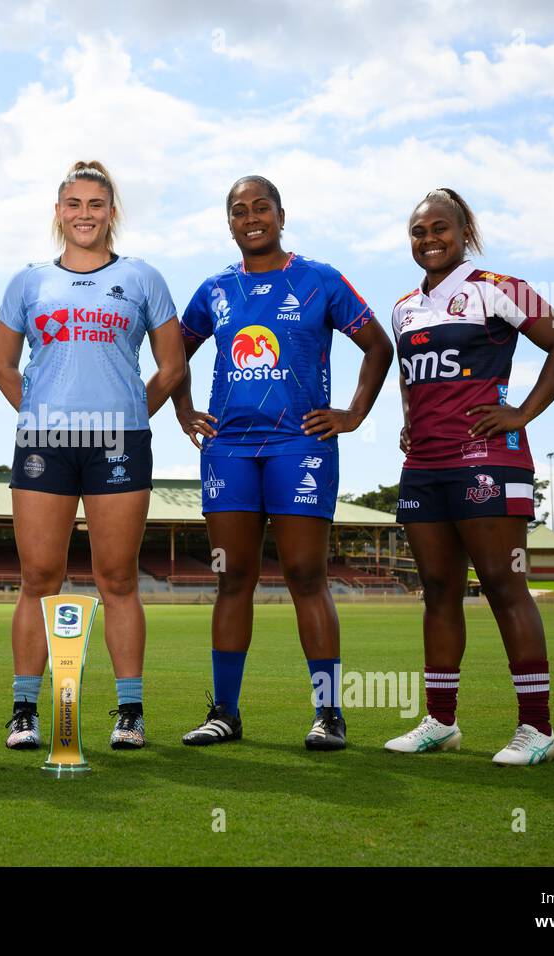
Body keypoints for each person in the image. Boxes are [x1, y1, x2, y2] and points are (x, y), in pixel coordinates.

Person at [167, 175, 392, 751]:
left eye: (260, 207)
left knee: (305, 576)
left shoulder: (319, 279)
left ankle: (329, 714)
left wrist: (353, 414)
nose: (251, 218)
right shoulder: (215, 288)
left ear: (281, 214)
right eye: (239, 211)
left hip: (300, 445)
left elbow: (378, 345)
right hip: (230, 449)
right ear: (230, 223)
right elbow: (175, 351)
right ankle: (224, 713)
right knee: (232, 579)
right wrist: (186, 410)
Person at [383, 187, 554, 766]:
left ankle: (537, 729)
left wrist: (521, 412)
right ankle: (440, 722)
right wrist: (407, 422)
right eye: (418, 232)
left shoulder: (498, 287)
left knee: (501, 583)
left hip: (489, 461)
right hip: (424, 465)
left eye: (440, 228)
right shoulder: (403, 307)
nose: (429, 240)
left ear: (464, 230)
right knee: (439, 592)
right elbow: (409, 375)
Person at [0, 160, 185, 751]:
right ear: (58, 212)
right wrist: (41, 413)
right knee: (38, 578)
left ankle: (129, 713)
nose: (84, 214)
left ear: (111, 213)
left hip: (118, 443)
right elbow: (2, 365)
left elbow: (172, 366)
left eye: (95, 205)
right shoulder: (28, 282)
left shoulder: (143, 277)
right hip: (45, 444)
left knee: (118, 578)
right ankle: (25, 710)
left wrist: (128, 415)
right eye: (72, 204)